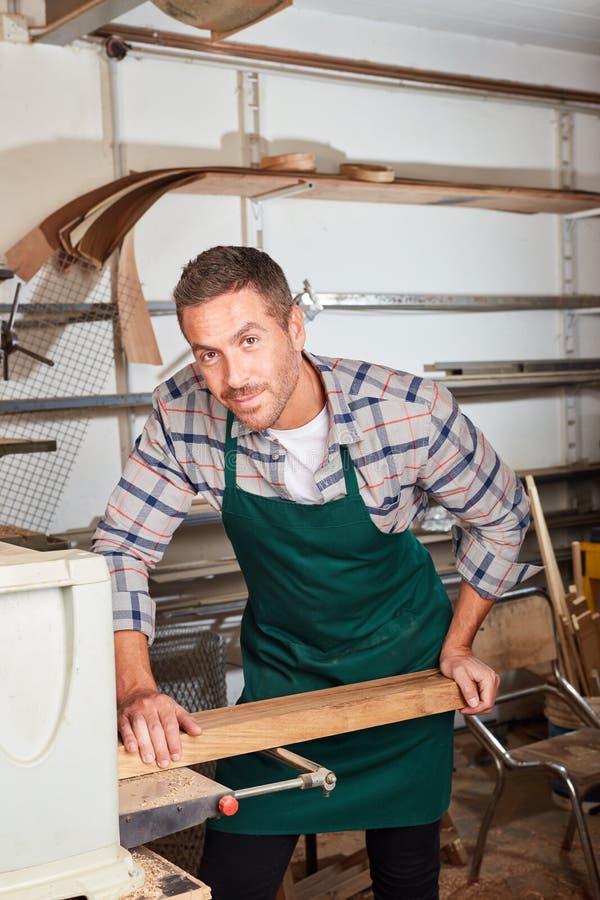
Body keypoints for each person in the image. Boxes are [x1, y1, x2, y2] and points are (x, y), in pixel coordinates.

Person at [92, 245, 537, 900]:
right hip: (284, 675)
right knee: (232, 880)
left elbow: (503, 516)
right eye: (207, 352)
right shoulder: (184, 413)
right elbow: (122, 547)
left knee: (408, 876)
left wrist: (460, 644)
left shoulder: (407, 411)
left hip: (404, 670)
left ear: (295, 327)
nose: (231, 378)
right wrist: (135, 689)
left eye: (248, 340)